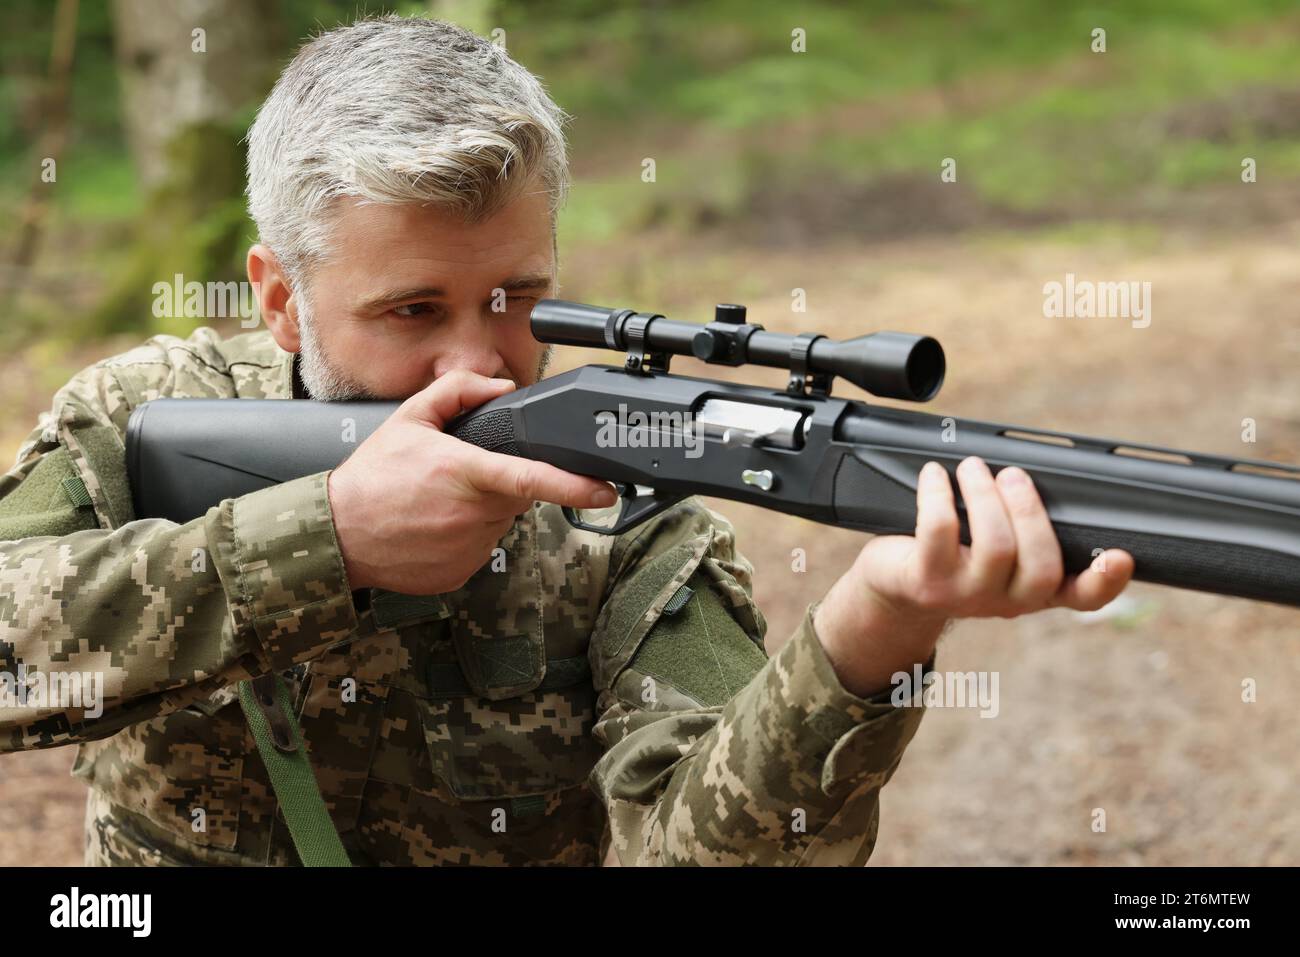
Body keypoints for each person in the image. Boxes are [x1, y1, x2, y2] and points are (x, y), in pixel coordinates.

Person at [0, 15, 1134, 866]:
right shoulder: (134, 419)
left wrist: (871, 632)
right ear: (282, 299)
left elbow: (711, 852)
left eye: (517, 296)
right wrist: (324, 541)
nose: (477, 363)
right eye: (412, 311)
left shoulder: (624, 509)